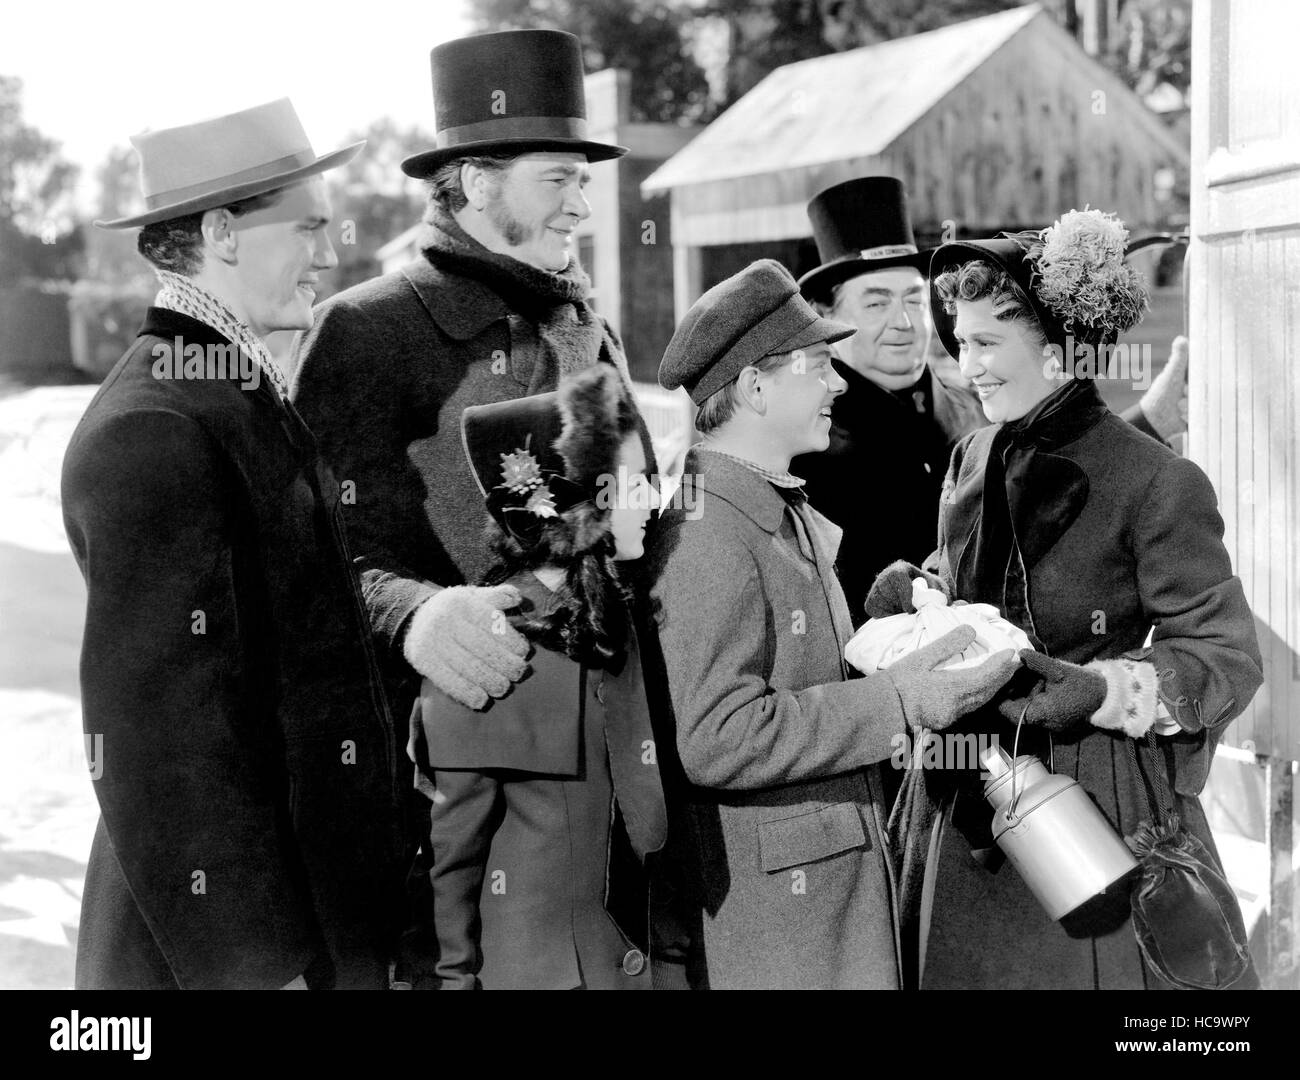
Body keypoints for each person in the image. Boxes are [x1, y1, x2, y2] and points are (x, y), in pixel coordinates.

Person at [290, 28, 654, 985]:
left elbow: (629, 499)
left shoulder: (583, 318)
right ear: (475, 180)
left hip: (617, 750)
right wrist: (417, 614)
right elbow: (310, 555)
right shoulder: (366, 328)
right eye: (556, 179)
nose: (583, 202)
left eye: (585, 177)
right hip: (458, 766)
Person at [61, 99, 403, 989]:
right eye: (309, 228)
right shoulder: (155, 427)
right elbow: (165, 748)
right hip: (221, 959)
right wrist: (259, 971)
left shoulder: (226, 390)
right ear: (220, 232)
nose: (331, 255)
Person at [875, 209, 1263, 990]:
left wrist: (1104, 690)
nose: (965, 366)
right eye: (960, 343)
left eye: (987, 343)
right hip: (964, 794)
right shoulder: (972, 454)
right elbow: (972, 587)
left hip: (1098, 807)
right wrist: (917, 593)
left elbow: (1226, 655)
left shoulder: (1154, 480)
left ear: (1056, 351)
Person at [644, 259, 1021, 989]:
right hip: (779, 927)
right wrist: (897, 700)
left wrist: (878, 622)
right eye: (817, 367)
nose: (839, 384)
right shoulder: (707, 532)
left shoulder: (770, 507)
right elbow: (716, 737)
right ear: (755, 386)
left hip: (824, 898)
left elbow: (798, 678)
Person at [793, 177, 1191, 628]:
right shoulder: (809, 436)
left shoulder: (977, 404)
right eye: (875, 304)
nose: (903, 322)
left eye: (912, 299)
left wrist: (1149, 421)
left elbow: (1056, 489)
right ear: (826, 318)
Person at [406, 366, 665, 989]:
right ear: (574, 508)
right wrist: (454, 981)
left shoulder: (621, 621)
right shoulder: (488, 647)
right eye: (629, 485)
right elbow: (453, 856)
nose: (653, 501)